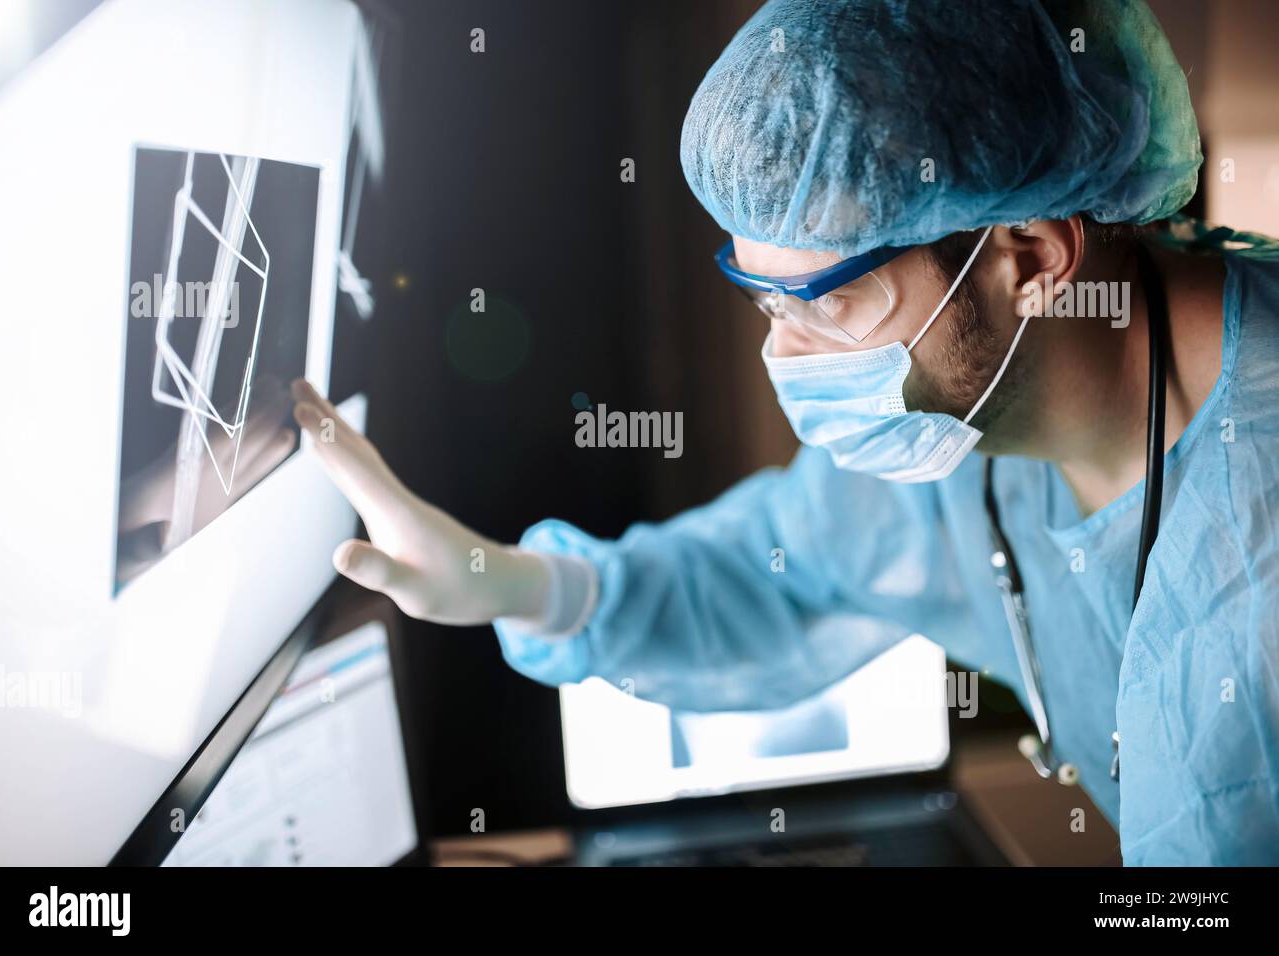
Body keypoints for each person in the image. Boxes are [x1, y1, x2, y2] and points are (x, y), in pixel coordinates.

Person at [291, 0, 1279, 864]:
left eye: (827, 300)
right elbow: (773, 565)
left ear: (1027, 258)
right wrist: (514, 582)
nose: (788, 357)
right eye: (764, 299)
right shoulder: (972, 431)